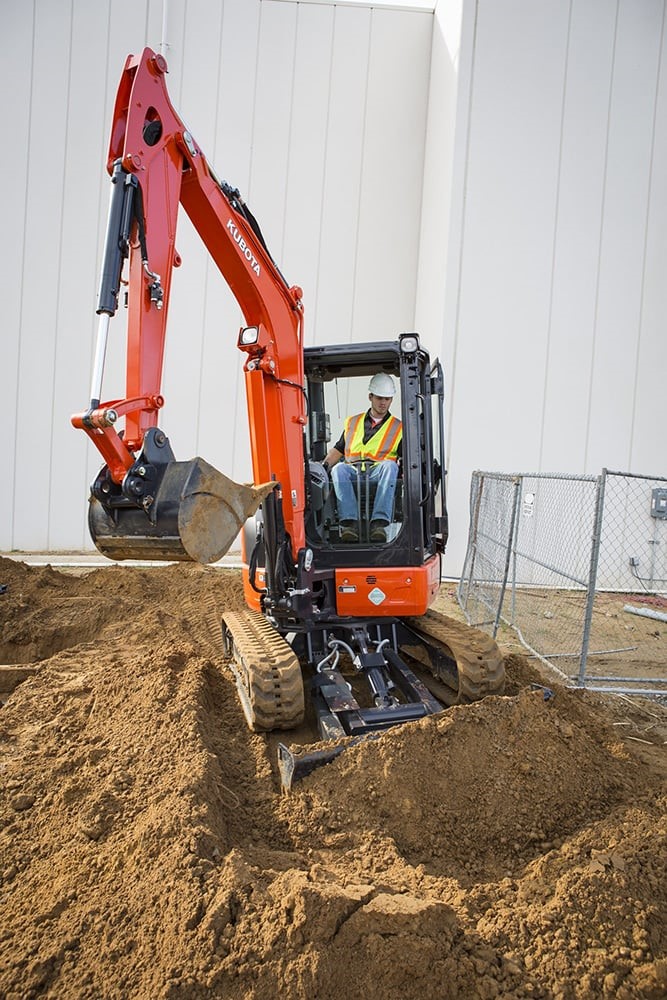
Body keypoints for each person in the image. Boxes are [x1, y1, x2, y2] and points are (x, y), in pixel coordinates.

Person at [323, 373, 402, 542]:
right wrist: (322, 467)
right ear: (370, 397)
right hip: (353, 474)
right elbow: (338, 450)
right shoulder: (353, 422)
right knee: (338, 469)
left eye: (387, 399)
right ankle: (349, 524)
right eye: (380, 398)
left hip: (378, 474)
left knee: (390, 466)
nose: (383, 403)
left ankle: (379, 524)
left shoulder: (399, 427)